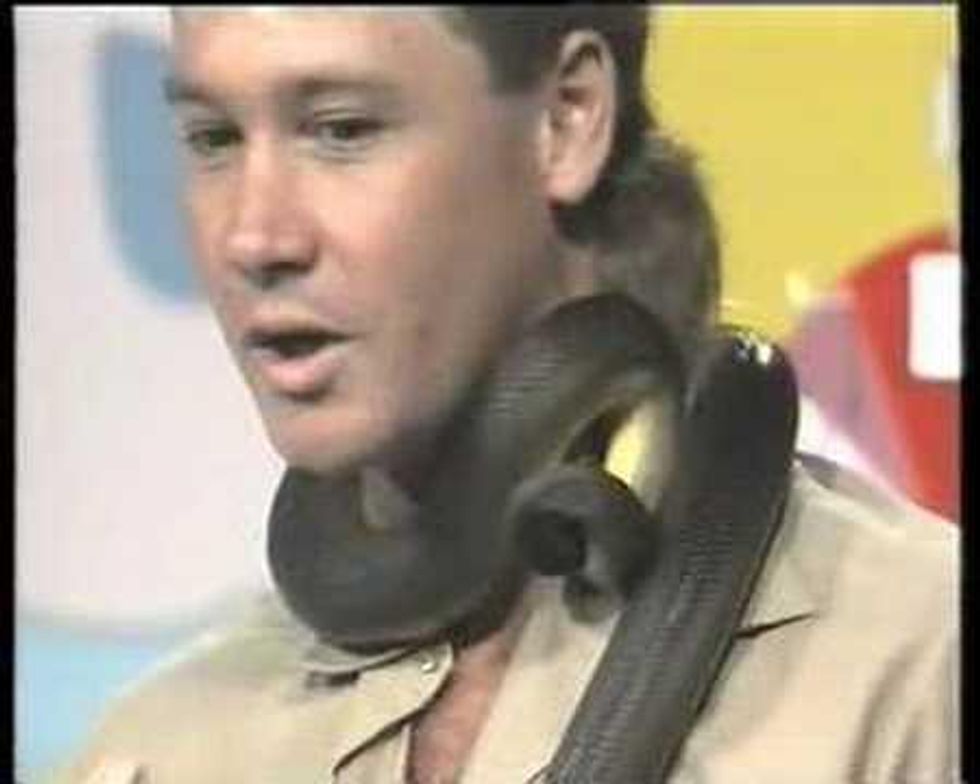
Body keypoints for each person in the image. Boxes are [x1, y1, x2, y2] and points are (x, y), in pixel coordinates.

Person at [48, 7, 958, 783]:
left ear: (567, 117)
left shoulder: (919, 668)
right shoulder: (158, 750)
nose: (255, 236)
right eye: (213, 138)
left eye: (342, 129)